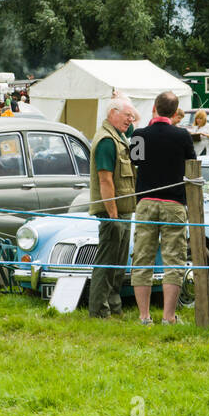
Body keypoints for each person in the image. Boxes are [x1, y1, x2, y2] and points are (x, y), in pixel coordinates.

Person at [129, 91, 196, 326]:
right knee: (173, 260)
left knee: (142, 259)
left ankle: (144, 316)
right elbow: (192, 165)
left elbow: (134, 162)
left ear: (155, 107)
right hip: (174, 203)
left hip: (146, 202)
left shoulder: (139, 135)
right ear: (176, 112)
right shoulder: (183, 136)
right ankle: (168, 316)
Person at [87, 97, 140, 319]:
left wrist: (125, 102)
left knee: (118, 263)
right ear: (112, 113)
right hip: (113, 213)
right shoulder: (107, 141)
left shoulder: (119, 136)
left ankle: (114, 307)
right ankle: (99, 311)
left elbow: (135, 130)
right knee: (107, 263)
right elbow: (105, 180)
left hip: (123, 212)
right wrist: (113, 215)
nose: (130, 119)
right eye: (127, 114)